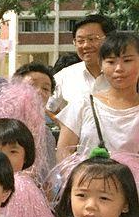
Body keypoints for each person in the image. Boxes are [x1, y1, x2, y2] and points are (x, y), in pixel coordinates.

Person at [57, 31, 139, 160]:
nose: (119, 68)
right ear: (101, 65)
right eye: (111, 62)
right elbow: (63, 153)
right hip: (89, 179)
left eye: (127, 60)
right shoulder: (83, 104)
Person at [47, 14, 115, 114]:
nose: (86, 45)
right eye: (80, 41)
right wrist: (63, 125)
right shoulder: (65, 76)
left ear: (109, 39)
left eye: (92, 39)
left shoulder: (125, 74)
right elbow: (44, 107)